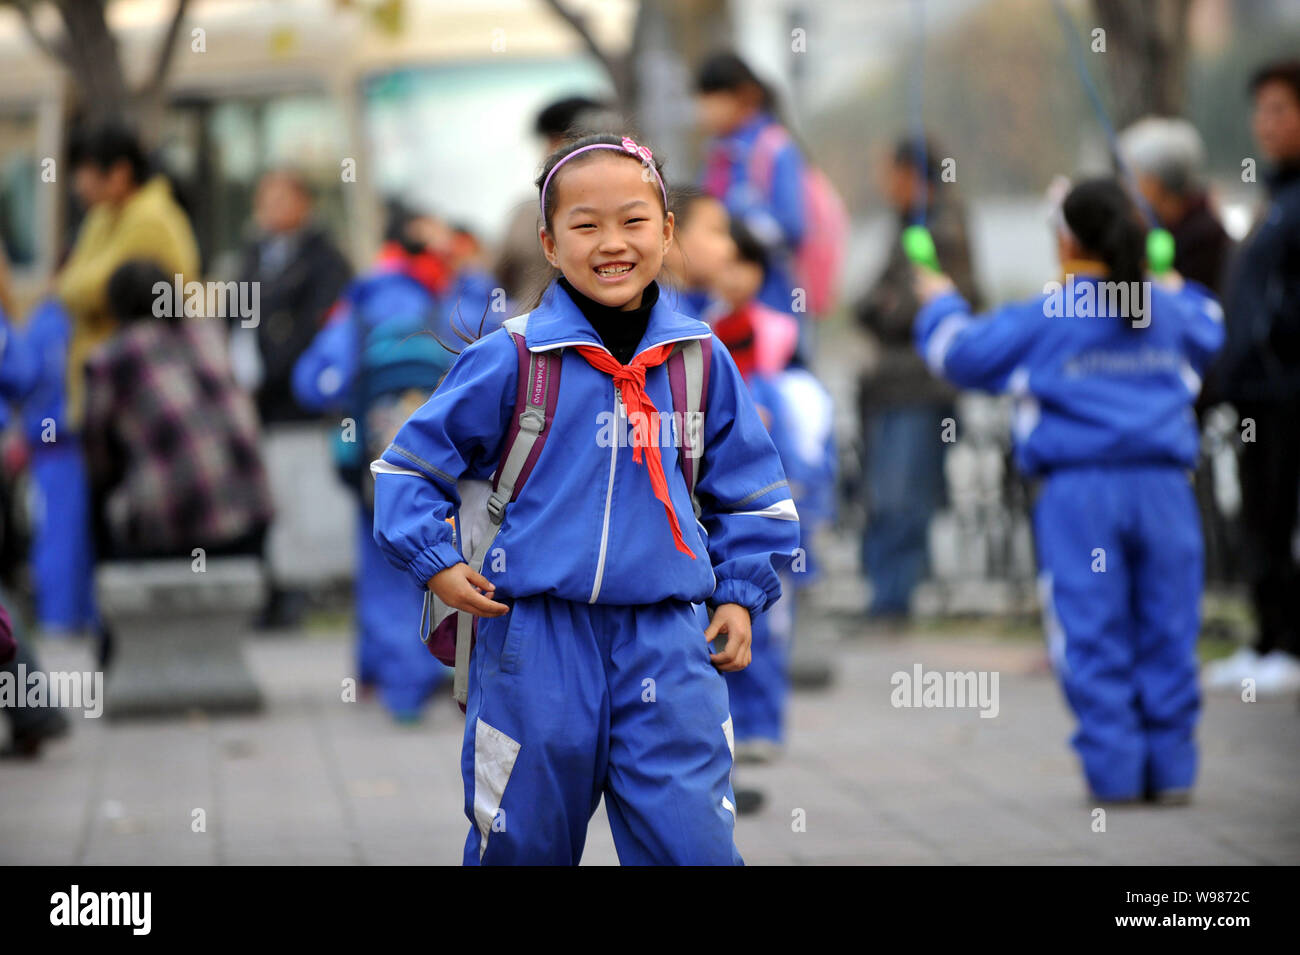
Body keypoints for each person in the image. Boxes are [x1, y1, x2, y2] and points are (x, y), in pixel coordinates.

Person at [372, 133, 800, 865]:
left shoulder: (700, 359)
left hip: (670, 643)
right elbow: (406, 470)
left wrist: (738, 593)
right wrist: (435, 561)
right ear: (548, 240)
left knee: (693, 845)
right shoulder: (511, 357)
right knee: (522, 844)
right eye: (586, 224)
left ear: (667, 231)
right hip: (533, 643)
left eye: (634, 221)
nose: (613, 243)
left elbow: (755, 495)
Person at [913, 177, 1224, 804]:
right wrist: (1169, 280)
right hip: (1166, 491)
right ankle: (1173, 774)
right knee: (1168, 628)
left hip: (1080, 496)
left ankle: (1114, 775)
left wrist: (939, 300)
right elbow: (1213, 327)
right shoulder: (1166, 307)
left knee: (1091, 632)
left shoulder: (1049, 313)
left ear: (1065, 242)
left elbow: (958, 355)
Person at [293, 202, 455, 721]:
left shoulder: (358, 308)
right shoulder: (451, 302)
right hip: (443, 466)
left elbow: (311, 383)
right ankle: (437, 670)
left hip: (374, 464)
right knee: (443, 560)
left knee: (383, 567)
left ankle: (402, 688)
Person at [1203, 60, 1300, 698]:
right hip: (1255, 393)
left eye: (1279, 109)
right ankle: (1268, 639)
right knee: (1258, 518)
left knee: (1281, 515)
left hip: (1285, 389)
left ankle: (1290, 645)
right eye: (1259, 110)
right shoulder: (1273, 196)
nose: (1264, 124)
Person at [855, 135, 981, 622]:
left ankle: (895, 599)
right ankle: (884, 594)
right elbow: (869, 303)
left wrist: (890, 308)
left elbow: (931, 304)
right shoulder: (903, 225)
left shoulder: (942, 228)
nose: (887, 184)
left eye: (894, 173)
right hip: (889, 387)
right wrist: (884, 307)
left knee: (905, 493)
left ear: (914, 175)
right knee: (881, 493)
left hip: (921, 385)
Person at [83, 260, 273, 563]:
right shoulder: (208, 332)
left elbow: (97, 457)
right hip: (253, 513)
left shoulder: (113, 356)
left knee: (102, 505)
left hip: (181, 523)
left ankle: (95, 596)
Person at [236, 167, 353, 628]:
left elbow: (319, 326)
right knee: (267, 497)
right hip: (257, 403)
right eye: (264, 199)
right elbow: (235, 314)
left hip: (300, 404)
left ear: (303, 202)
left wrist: (276, 368)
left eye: (282, 198)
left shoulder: (325, 259)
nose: (270, 209)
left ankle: (306, 590)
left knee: (304, 495)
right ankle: (272, 590)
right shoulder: (252, 256)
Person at [57, 122, 200, 432]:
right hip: (104, 393)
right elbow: (68, 286)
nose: (77, 184)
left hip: (142, 392)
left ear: (119, 173)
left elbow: (98, 289)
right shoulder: (102, 215)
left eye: (86, 172)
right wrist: (72, 286)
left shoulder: (150, 218)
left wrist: (73, 286)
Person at [696, 52, 805, 320]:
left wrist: (738, 231)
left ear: (744, 96)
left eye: (712, 99)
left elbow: (792, 226)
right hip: (727, 304)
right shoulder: (717, 154)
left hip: (775, 302)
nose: (704, 111)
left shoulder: (775, 148)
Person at [492, 96, 616, 305]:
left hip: (531, 326)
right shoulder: (640, 207)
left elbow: (500, 276)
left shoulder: (530, 213)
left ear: (558, 143)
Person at [1118, 116, 1234, 296]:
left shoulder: (1205, 239)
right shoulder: (1156, 226)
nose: (1127, 186)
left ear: (1155, 184)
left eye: (1134, 176)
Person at [661, 185, 734, 321]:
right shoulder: (663, 320)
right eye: (717, 231)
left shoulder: (708, 308)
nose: (730, 247)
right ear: (671, 239)